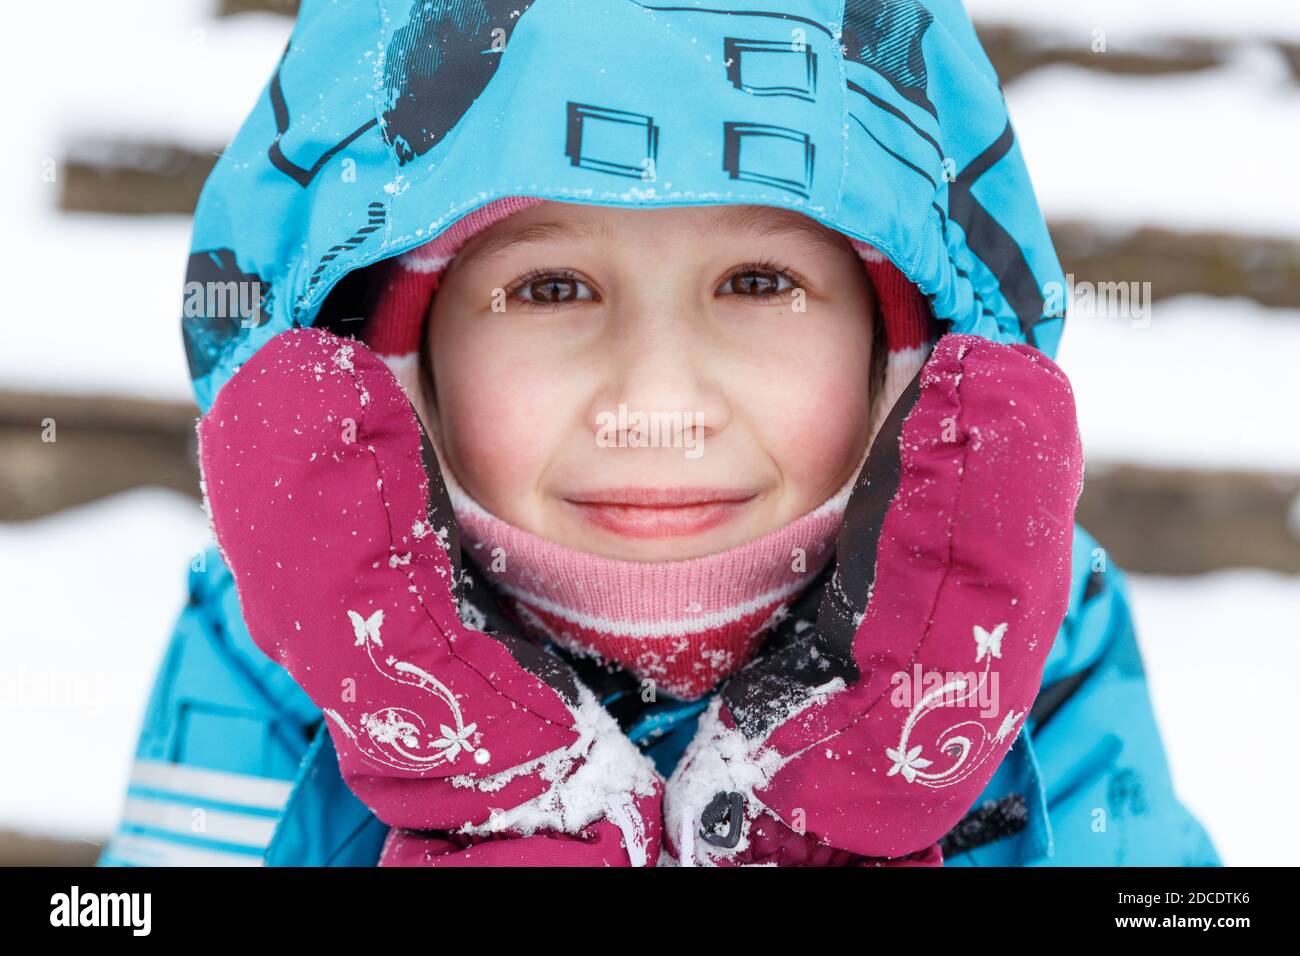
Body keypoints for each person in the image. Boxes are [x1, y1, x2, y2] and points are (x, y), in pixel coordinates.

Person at [97, 0, 1219, 867]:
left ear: (904, 352)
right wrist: (500, 808)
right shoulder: (275, 659)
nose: (657, 396)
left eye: (758, 278)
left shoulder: (1022, 653)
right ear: (396, 353)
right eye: (547, 289)